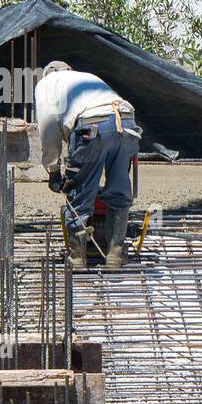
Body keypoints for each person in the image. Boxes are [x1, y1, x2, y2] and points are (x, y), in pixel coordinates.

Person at [35, 61, 141, 269]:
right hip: (127, 125)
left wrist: (54, 170)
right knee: (120, 188)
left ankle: (77, 259)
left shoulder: (46, 84)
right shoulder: (87, 78)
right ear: (70, 70)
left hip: (92, 128)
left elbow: (48, 129)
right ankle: (115, 255)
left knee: (81, 190)